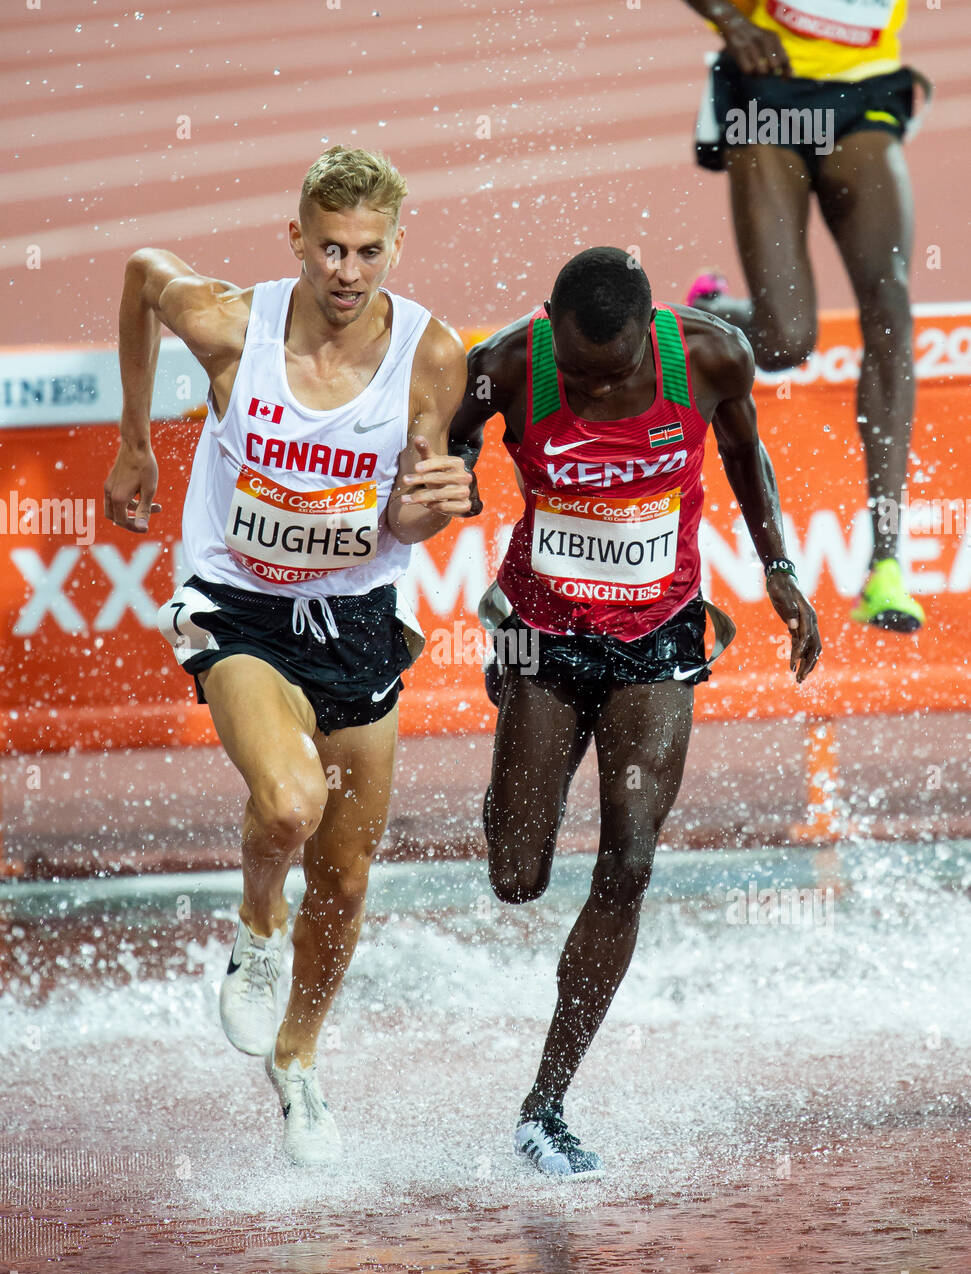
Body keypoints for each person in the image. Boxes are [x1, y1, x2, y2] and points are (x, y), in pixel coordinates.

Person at [104, 146, 477, 1165]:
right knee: (285, 803)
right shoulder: (235, 324)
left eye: (368, 251)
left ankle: (298, 1062)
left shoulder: (432, 355)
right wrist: (136, 438)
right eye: (328, 248)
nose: (347, 272)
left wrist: (424, 511)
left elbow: (413, 501)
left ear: (396, 246)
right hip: (239, 607)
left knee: (349, 879)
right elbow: (142, 271)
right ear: (295, 241)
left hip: (355, 620)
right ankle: (258, 926)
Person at [449, 247, 821, 1177]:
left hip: (658, 635)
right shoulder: (506, 366)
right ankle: (517, 753)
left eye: (613, 376)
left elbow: (744, 453)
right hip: (543, 634)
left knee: (630, 861)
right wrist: (451, 474)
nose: (594, 390)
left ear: (648, 337)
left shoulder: (709, 357)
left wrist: (778, 573)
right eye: (576, 374)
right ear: (549, 331)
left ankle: (545, 1107)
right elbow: (447, 442)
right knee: (516, 876)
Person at [683, 0, 927, 631]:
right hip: (769, 94)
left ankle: (887, 564)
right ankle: (714, 311)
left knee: (891, 303)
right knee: (787, 339)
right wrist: (731, 22)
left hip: (866, 89)